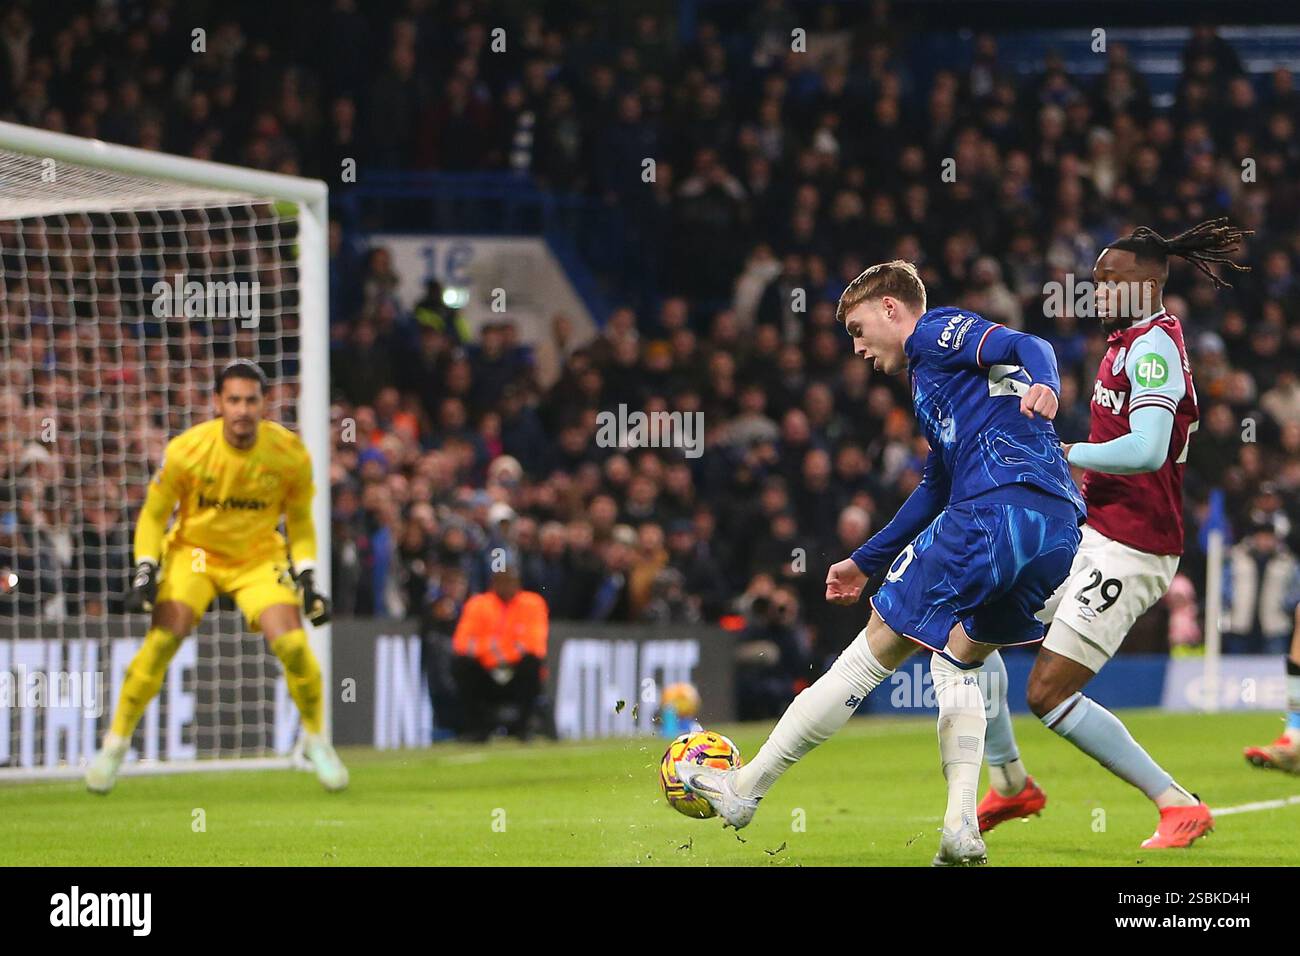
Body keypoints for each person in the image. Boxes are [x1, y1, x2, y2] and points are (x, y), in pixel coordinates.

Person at [678, 259, 1084, 866]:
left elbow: (1029, 343)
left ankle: (744, 791)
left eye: (860, 329)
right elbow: (935, 487)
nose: (858, 347)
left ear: (892, 309)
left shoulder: (934, 332)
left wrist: (1047, 381)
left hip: (994, 510)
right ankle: (960, 827)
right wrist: (866, 560)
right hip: (1055, 531)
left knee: (874, 649)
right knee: (961, 657)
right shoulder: (933, 388)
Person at [978, 218, 1252, 849]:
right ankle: (1009, 781)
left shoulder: (1153, 347)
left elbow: (1149, 449)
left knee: (1047, 691)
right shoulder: (1123, 339)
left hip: (1134, 545)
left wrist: (1067, 449)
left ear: (1148, 284)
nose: (1096, 292)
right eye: (1095, 281)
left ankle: (1177, 804)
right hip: (1093, 531)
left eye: (1110, 281)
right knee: (972, 623)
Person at [86, 360, 345, 793]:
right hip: (196, 555)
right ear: (218, 403)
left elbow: (300, 522)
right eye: (234, 400)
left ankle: (317, 740)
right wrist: (145, 569)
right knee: (165, 638)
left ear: (265, 403)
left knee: (294, 645)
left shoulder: (290, 454)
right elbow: (152, 516)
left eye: (251, 400)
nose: (243, 409)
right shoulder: (187, 451)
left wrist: (308, 577)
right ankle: (115, 743)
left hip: (257, 558)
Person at [451, 567, 548, 741]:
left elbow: (535, 646)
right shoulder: (478, 604)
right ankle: (476, 729)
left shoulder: (533, 603)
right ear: (493, 584)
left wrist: (492, 648)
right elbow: (462, 644)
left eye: (511, 582)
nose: (508, 587)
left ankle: (523, 728)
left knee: (532, 664)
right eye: (503, 582)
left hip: (517, 671)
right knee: (463, 665)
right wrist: (505, 649)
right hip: (486, 671)